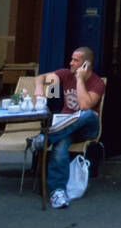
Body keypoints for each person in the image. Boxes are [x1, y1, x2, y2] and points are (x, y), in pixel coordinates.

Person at [33, 47, 106, 209]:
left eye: (75, 60)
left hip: (86, 129)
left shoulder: (97, 83)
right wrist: (39, 87)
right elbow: (40, 77)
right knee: (60, 145)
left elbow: (85, 105)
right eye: (72, 59)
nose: (71, 63)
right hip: (65, 127)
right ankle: (57, 192)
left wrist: (80, 80)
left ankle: (44, 138)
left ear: (86, 64)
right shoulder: (65, 74)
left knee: (87, 114)